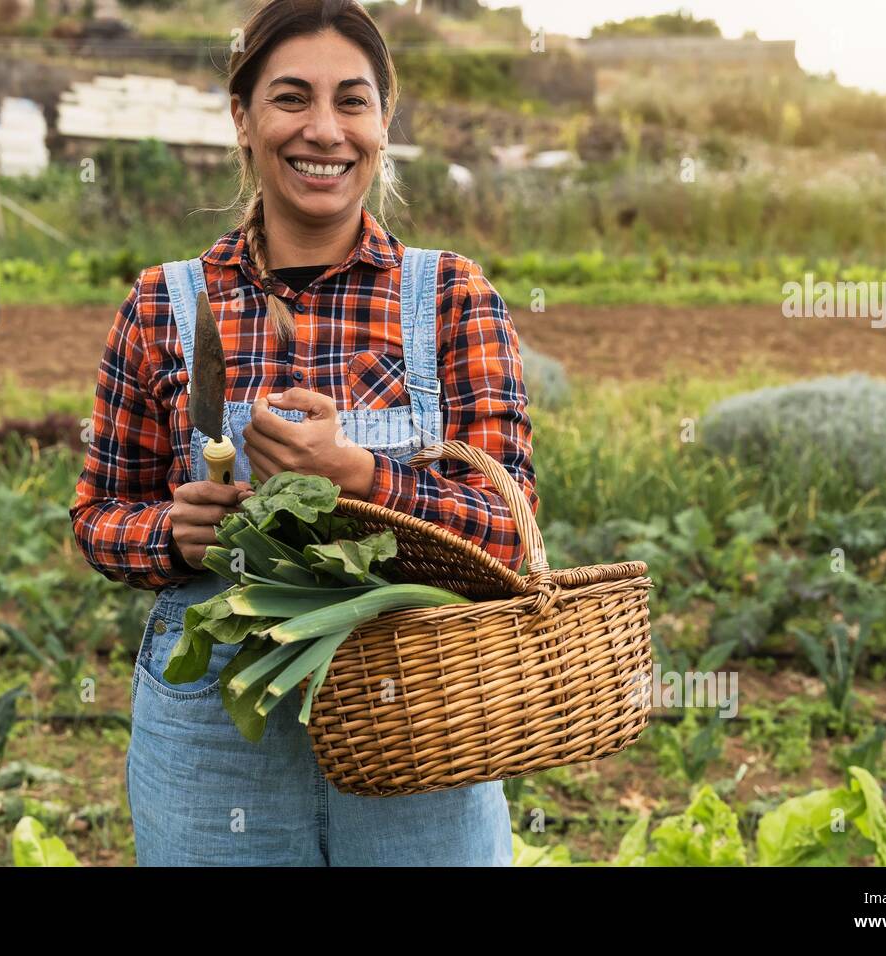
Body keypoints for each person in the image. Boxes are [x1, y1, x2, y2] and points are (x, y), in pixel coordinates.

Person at [70, 0, 537, 866]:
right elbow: (99, 516)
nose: (324, 130)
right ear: (242, 119)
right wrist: (172, 533)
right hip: (216, 728)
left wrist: (361, 477)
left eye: (351, 102)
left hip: (419, 718)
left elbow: (511, 539)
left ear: (383, 122)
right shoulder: (166, 305)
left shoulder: (451, 297)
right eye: (291, 98)